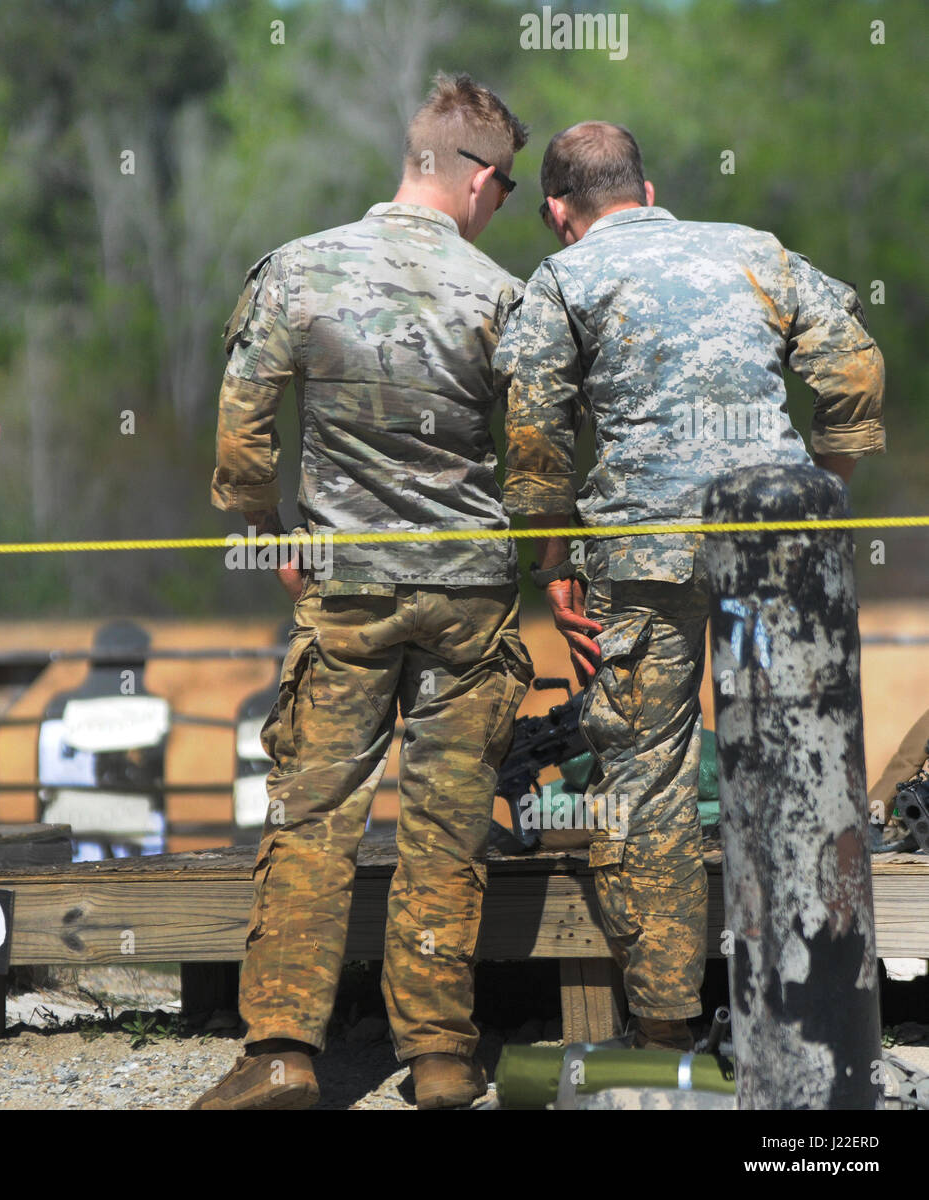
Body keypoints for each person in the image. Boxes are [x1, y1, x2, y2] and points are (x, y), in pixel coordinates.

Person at [498, 121, 885, 1049]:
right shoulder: (756, 251)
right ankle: (813, 1018)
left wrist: (550, 566)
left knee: (650, 779)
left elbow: (534, 432)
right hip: (778, 549)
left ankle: (667, 1028)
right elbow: (855, 364)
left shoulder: (564, 277)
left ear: (559, 210)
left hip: (644, 559)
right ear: (650, 186)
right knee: (797, 769)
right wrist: (823, 485)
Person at [193, 73, 534, 1110]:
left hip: (346, 592)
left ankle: (285, 1051)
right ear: (473, 174)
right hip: (469, 597)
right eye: (507, 185)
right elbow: (536, 463)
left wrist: (271, 536)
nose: (503, 203)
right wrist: (532, 557)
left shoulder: (297, 274)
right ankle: (436, 1054)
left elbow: (241, 437)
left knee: (313, 816)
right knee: (447, 825)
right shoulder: (499, 298)